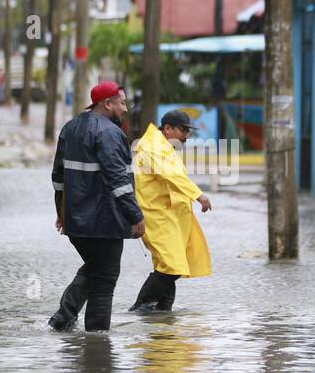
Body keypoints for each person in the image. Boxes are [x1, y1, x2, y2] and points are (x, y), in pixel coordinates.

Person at [48, 81, 146, 332]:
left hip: (77, 221)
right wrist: (135, 216)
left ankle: (64, 318)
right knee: (104, 277)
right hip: (105, 222)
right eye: (122, 103)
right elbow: (119, 181)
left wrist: (62, 212)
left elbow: (58, 177)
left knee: (96, 268)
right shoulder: (111, 134)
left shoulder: (70, 128)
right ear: (107, 103)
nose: (125, 108)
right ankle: (97, 339)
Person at [128, 110, 213, 311]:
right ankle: (141, 307)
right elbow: (172, 176)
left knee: (168, 266)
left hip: (167, 216)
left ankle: (163, 313)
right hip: (156, 216)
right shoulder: (154, 147)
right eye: (183, 130)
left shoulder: (162, 146)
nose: (187, 135)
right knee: (172, 265)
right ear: (167, 129)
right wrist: (199, 195)